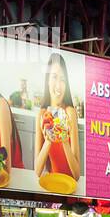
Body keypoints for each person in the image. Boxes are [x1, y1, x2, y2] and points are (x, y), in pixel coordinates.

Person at [34, 53, 82, 182]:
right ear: (47, 80)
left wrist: (64, 140)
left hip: (70, 185)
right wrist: (49, 140)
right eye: (54, 77)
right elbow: (38, 171)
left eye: (62, 80)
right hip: (53, 183)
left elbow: (77, 175)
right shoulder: (41, 114)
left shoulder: (70, 112)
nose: (58, 85)